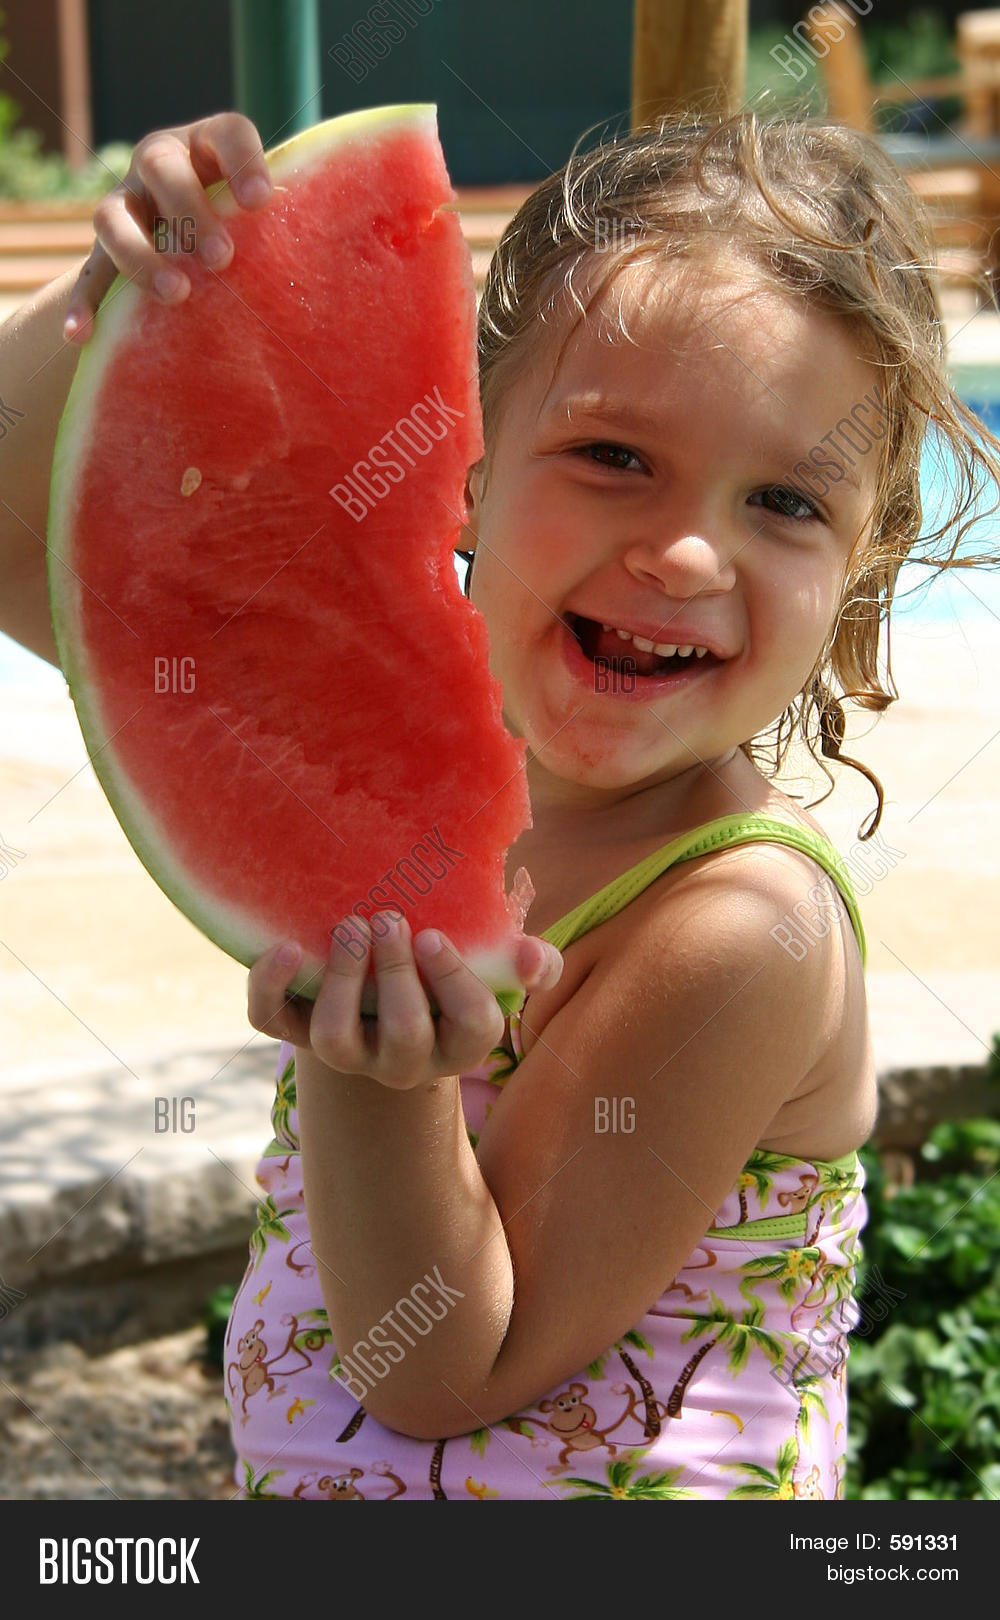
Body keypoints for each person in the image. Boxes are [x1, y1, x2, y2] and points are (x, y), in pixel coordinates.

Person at [3, 106, 998, 1503]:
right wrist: (132, 291)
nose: (687, 550)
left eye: (783, 499)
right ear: (459, 462)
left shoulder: (740, 925)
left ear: (863, 565)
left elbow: (447, 1365)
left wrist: (372, 1079)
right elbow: (31, 550)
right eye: (613, 458)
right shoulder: (385, 736)